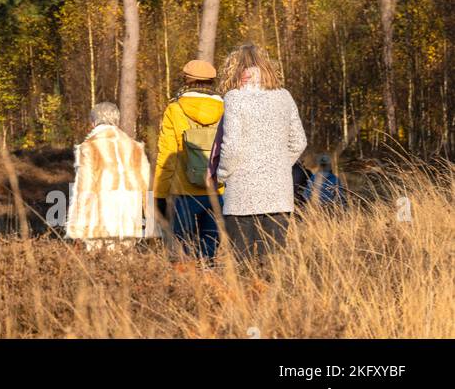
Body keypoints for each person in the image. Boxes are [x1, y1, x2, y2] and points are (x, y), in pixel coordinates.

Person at [208, 43, 307, 259]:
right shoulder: (284, 96)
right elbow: (299, 141)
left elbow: (231, 147)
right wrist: (277, 164)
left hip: (242, 195)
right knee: (273, 265)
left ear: (234, 68)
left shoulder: (235, 97)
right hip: (278, 194)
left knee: (243, 264)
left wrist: (222, 174)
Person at [154, 59, 224, 260]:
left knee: (180, 252)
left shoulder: (174, 110)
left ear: (186, 80)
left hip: (183, 193)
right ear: (212, 82)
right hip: (216, 191)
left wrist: (159, 194)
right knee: (209, 251)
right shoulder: (226, 109)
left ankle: (186, 288)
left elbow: (166, 155)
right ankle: (207, 286)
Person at [66, 102, 157, 250]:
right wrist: (151, 219)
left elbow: (84, 188)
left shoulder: (88, 147)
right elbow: (146, 184)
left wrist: (77, 226)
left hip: (102, 214)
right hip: (130, 213)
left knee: (100, 266)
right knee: (125, 262)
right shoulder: (134, 146)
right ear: (117, 120)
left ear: (93, 122)